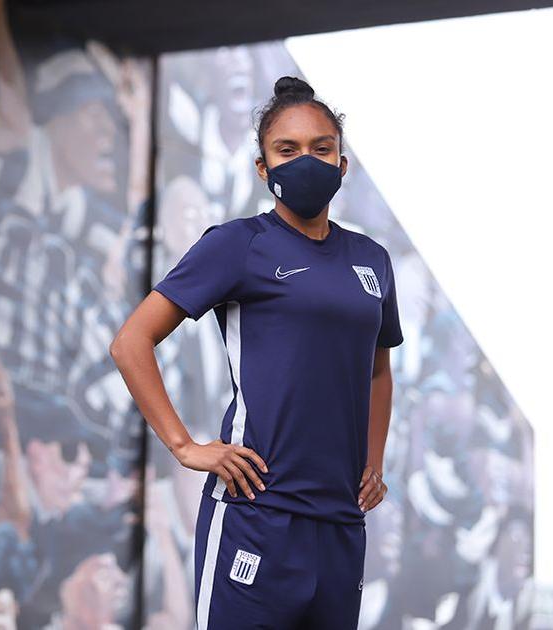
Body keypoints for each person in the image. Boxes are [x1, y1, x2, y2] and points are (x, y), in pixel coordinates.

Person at [110, 75, 404, 629]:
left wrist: (374, 462)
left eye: (321, 148)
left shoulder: (373, 261)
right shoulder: (239, 244)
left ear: (342, 165)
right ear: (263, 169)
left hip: (341, 523)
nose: (306, 161)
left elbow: (378, 371)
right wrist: (185, 447)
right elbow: (131, 342)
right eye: (287, 150)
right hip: (257, 512)